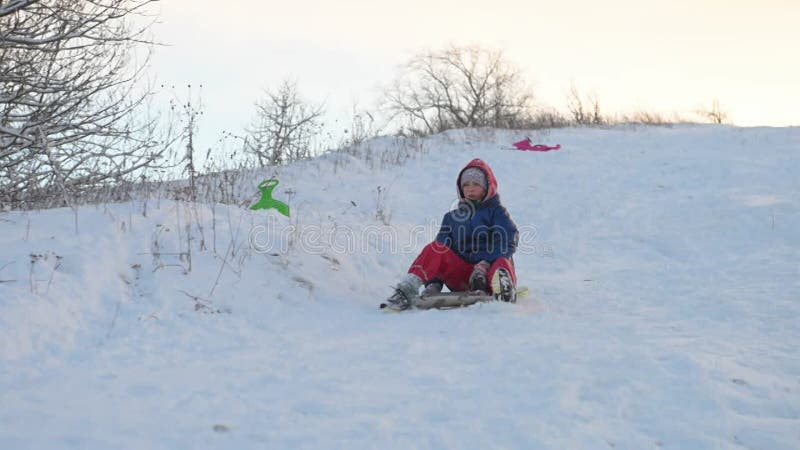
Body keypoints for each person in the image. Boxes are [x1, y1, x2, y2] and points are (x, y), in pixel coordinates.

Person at [383, 158, 519, 310]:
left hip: (489, 275)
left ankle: (504, 288)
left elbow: (508, 240)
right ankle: (406, 290)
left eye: (476, 184)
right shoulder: (451, 218)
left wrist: (485, 264)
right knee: (435, 247)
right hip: (463, 278)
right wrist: (434, 283)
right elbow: (440, 254)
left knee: (501, 260)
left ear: (487, 187)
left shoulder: (497, 212)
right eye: (466, 185)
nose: (470, 189)